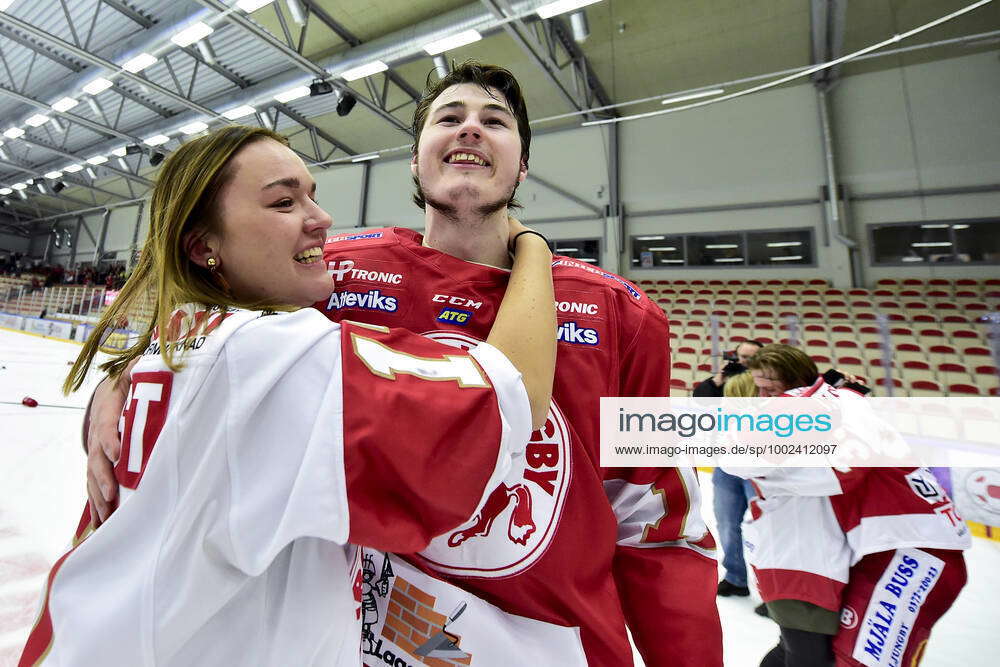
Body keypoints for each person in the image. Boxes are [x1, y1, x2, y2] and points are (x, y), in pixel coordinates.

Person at [86, 62, 722, 666]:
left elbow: (657, 523)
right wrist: (120, 377)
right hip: (349, 641)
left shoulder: (624, 316)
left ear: (522, 167)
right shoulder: (332, 271)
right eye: (447, 118)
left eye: (495, 121)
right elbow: (209, 334)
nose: (470, 127)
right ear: (415, 162)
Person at [20, 125, 558, 666]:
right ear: (205, 246)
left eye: (312, 195)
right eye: (283, 202)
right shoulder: (277, 346)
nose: (321, 219)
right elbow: (511, 396)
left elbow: (640, 475)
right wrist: (535, 248)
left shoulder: (185, 340)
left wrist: (117, 376)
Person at [725, 344, 970, 667]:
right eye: (757, 385)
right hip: (882, 549)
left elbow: (839, 472)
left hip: (908, 548)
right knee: (801, 650)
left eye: (768, 383)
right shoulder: (839, 403)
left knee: (828, 657)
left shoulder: (817, 410)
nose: (762, 392)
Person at [712, 371, 758, 598]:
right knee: (726, 524)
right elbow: (702, 398)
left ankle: (771, 589)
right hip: (726, 468)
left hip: (760, 471)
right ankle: (735, 577)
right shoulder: (727, 406)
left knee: (763, 529)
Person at [693, 339, 762, 398]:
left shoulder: (766, 379)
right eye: (742, 356)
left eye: (752, 358)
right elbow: (700, 399)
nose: (747, 361)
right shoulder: (728, 374)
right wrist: (715, 383)